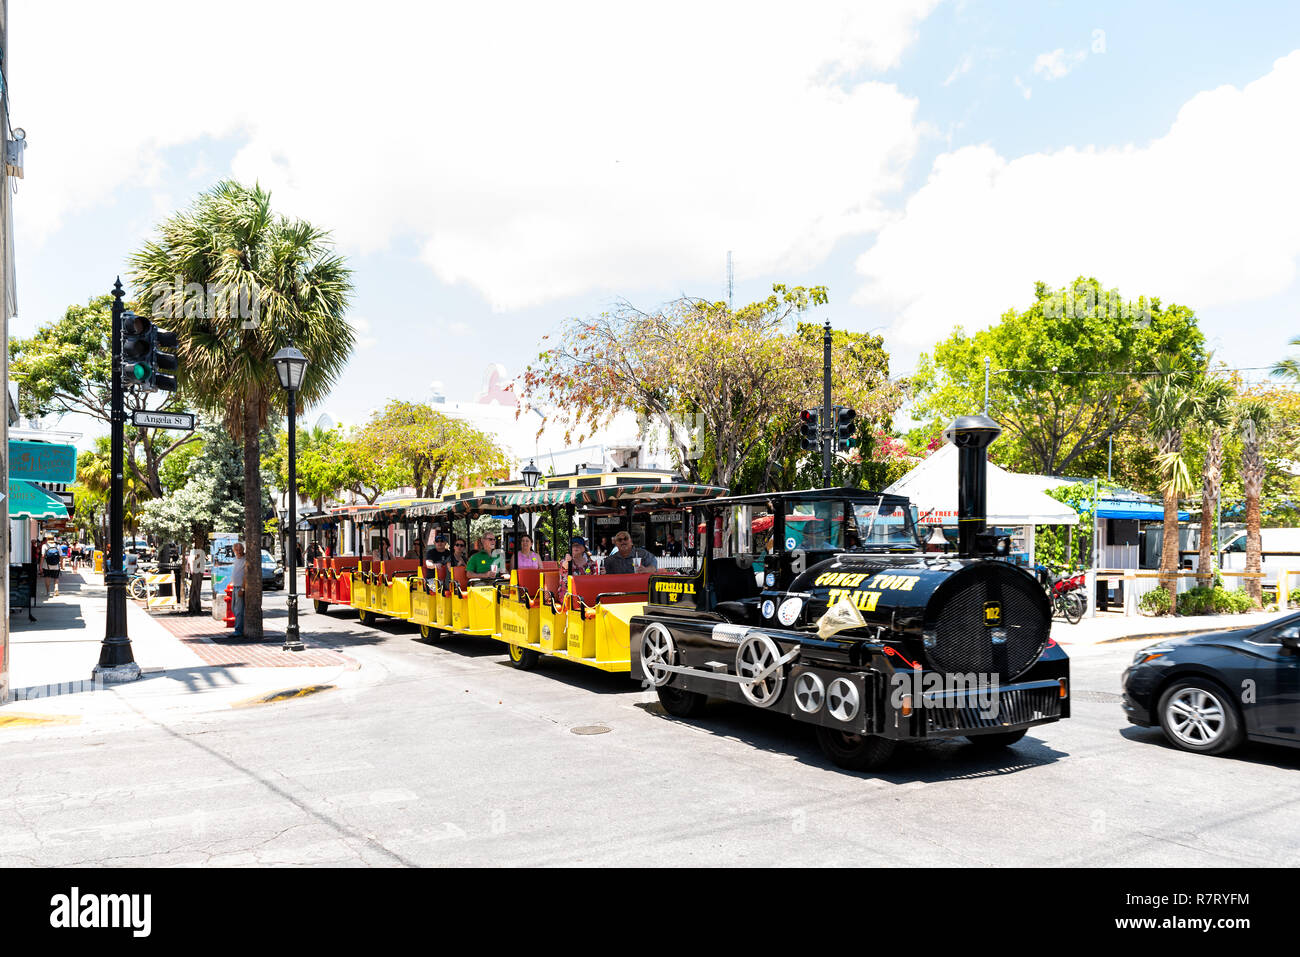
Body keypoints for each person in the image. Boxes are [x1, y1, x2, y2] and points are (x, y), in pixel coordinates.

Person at [230, 542, 248, 639]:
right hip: (235, 586)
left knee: (239, 610)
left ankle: (238, 630)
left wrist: (242, 588)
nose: (238, 551)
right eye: (236, 550)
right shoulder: (236, 559)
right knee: (234, 608)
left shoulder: (245, 559)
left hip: (240, 587)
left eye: (240, 549)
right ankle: (238, 628)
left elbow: (245, 574)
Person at [186, 536, 207, 615]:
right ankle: (194, 606)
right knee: (195, 587)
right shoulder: (193, 552)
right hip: (195, 571)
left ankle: (195, 605)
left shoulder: (196, 552)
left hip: (196, 570)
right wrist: (192, 570)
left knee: (195, 587)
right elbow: (191, 561)